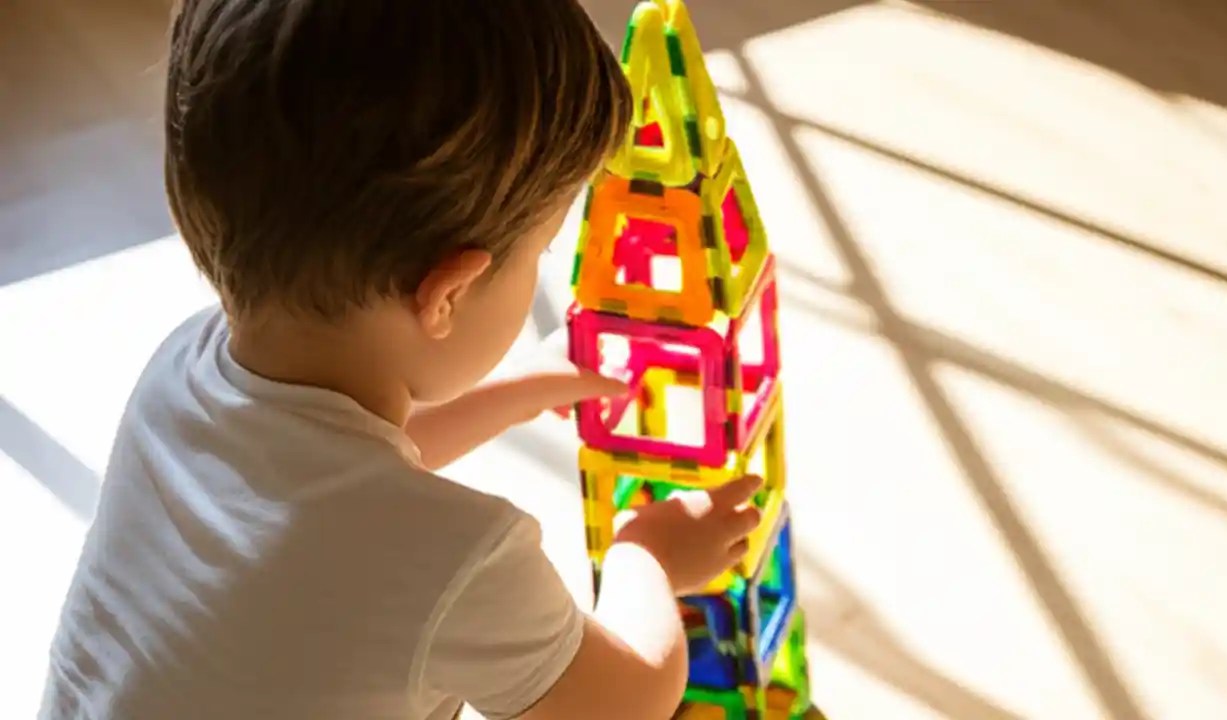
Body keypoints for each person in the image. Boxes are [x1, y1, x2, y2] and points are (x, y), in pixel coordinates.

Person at [38, 1, 763, 718]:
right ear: (447, 294)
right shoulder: (461, 561)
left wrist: (514, 392)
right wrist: (648, 558)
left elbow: (331, 477)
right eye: (539, 254)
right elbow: (621, 701)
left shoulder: (178, 373)